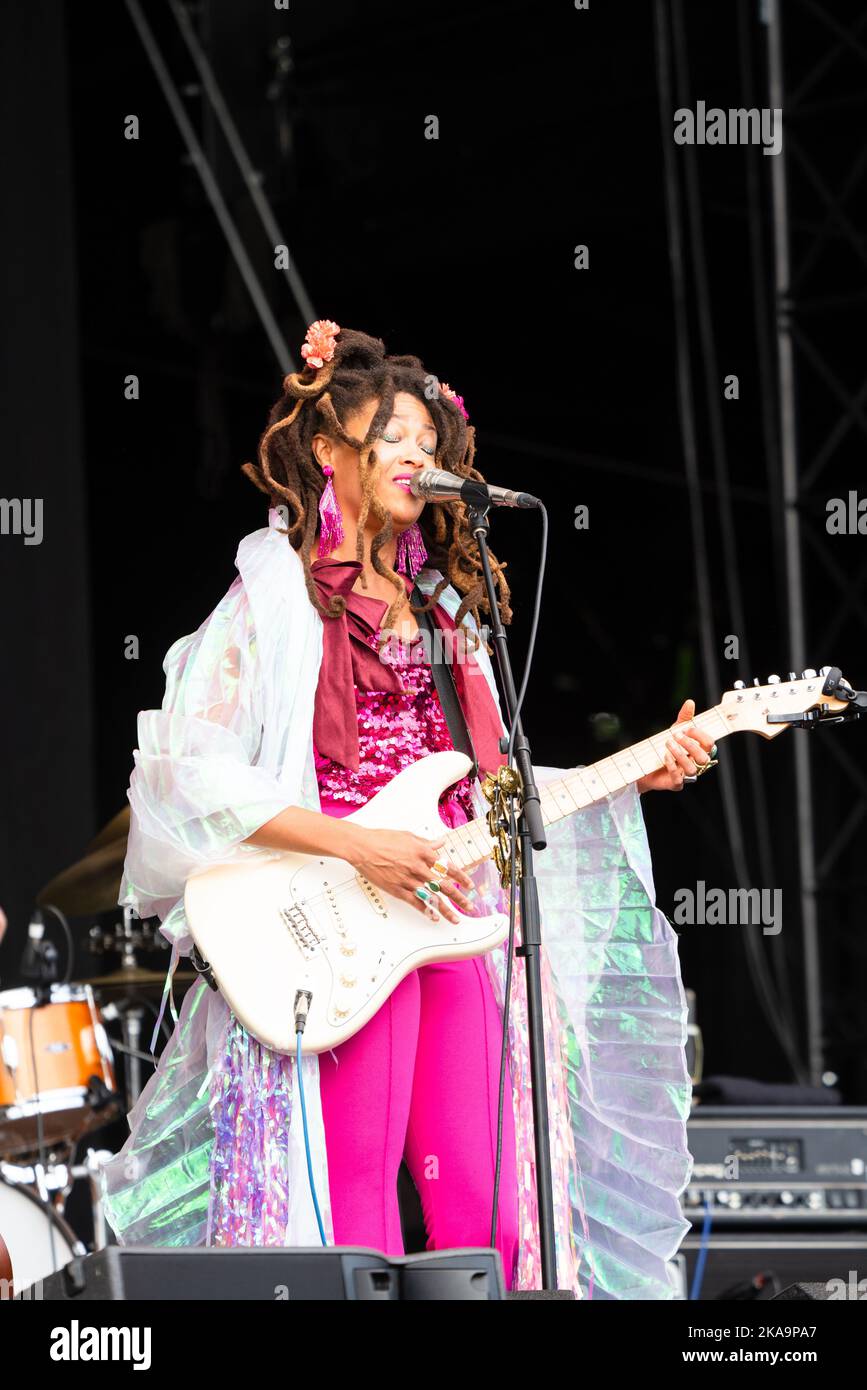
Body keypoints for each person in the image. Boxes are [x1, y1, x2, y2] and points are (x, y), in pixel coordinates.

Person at [100, 322, 715, 1298]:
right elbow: (188, 776)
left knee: (491, 1197)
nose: (419, 457)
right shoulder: (280, 594)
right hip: (339, 914)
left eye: (431, 443)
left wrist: (638, 772)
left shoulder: (449, 615)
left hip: (450, 909)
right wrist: (360, 847)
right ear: (334, 453)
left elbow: (492, 792)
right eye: (394, 436)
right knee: (355, 1203)